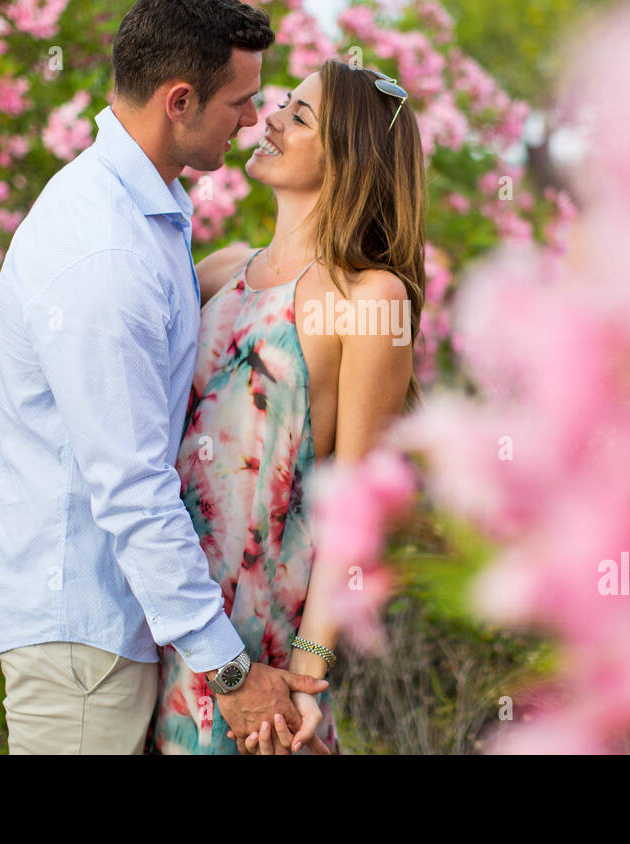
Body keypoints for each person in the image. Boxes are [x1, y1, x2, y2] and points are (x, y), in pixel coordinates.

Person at [0, 0, 329, 754]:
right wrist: (229, 672)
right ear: (180, 100)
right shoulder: (107, 252)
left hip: (111, 624)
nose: (256, 121)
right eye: (241, 102)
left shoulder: (141, 211)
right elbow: (131, 486)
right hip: (79, 637)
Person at [152, 57, 426, 754]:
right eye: (282, 105)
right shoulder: (218, 271)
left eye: (299, 116)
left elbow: (357, 500)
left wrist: (309, 668)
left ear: (350, 157)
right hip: (169, 625)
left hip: (265, 649)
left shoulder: (371, 298)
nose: (268, 119)